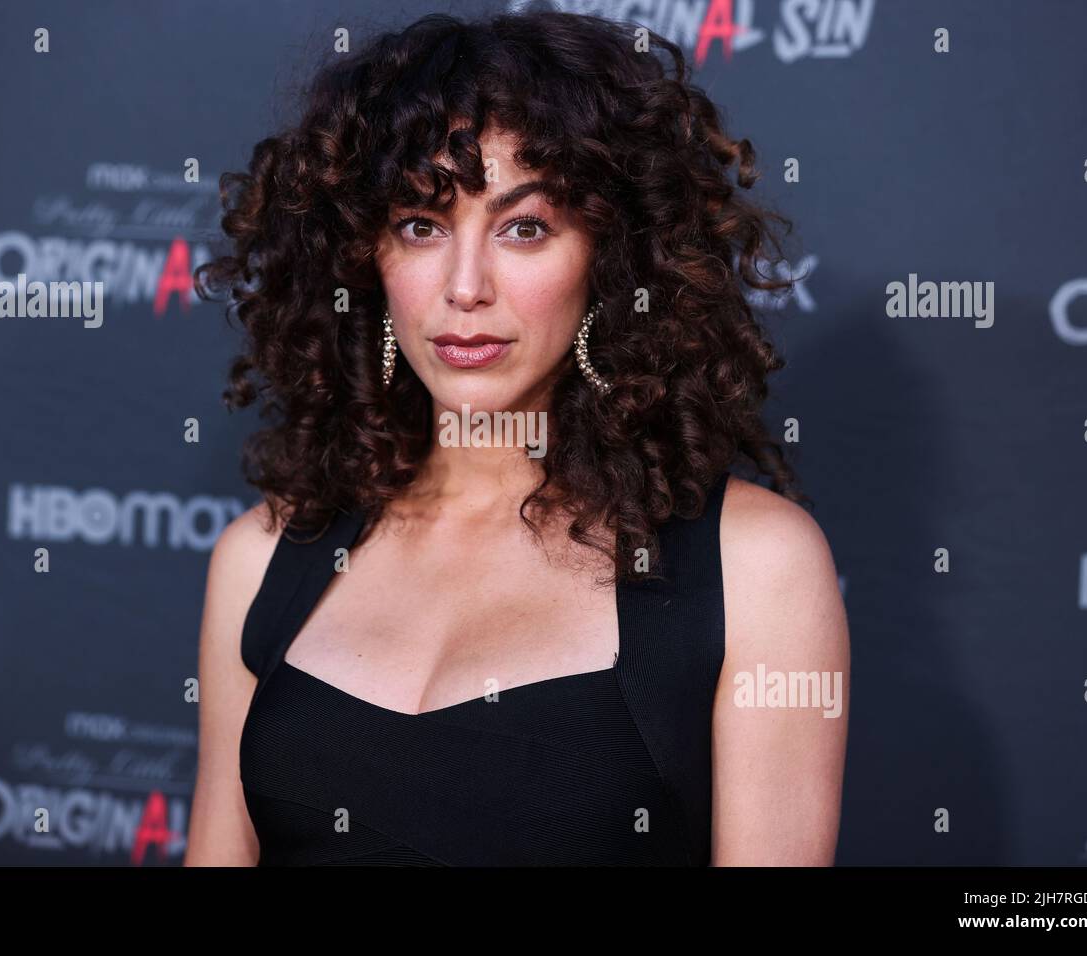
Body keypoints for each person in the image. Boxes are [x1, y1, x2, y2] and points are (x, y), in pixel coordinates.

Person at [184, 9, 848, 866]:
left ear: (611, 261)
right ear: (366, 257)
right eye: (421, 224)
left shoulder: (755, 568)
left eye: (524, 227)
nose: (465, 287)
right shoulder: (263, 555)